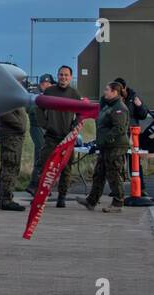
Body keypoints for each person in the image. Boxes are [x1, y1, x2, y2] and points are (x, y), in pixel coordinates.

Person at [78, 82, 130, 212]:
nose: (104, 92)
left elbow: (119, 128)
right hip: (106, 146)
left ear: (115, 92)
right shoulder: (108, 106)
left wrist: (106, 139)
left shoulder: (119, 108)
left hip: (115, 146)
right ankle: (91, 201)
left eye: (107, 90)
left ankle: (118, 203)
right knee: (99, 173)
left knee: (113, 173)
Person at [37, 65, 81, 208]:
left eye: (66, 75)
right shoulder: (49, 91)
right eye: (61, 75)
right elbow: (39, 108)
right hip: (51, 136)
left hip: (67, 138)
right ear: (57, 76)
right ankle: (41, 196)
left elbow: (81, 113)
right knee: (45, 166)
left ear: (70, 77)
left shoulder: (74, 94)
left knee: (66, 169)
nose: (63, 77)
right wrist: (45, 124)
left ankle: (62, 197)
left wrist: (74, 126)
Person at [0, 99, 28, 211]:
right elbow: (3, 113)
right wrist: (20, 126)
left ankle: (5, 197)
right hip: (11, 136)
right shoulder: (5, 97)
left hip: (15, 136)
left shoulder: (12, 96)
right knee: (10, 166)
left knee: (10, 166)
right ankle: (6, 199)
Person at [28, 72, 54, 191]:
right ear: (45, 83)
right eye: (49, 84)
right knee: (40, 154)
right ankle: (35, 184)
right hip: (37, 126)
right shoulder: (35, 94)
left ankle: (37, 183)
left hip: (43, 127)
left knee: (42, 154)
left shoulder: (43, 94)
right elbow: (29, 109)